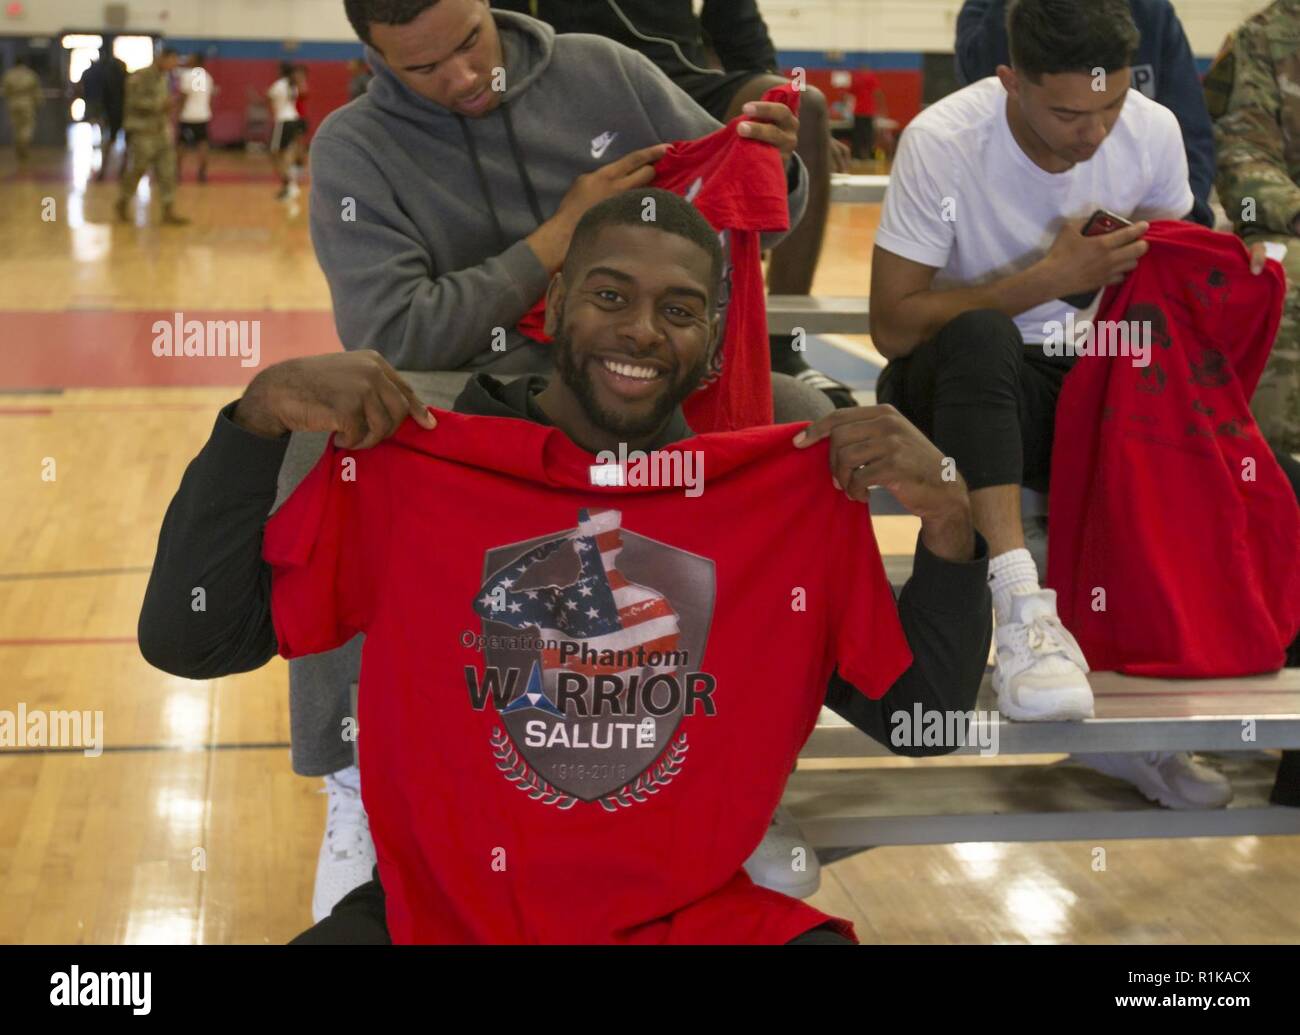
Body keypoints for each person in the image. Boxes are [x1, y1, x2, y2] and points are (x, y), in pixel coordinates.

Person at [138, 187, 992, 943]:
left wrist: (952, 517)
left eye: (680, 310)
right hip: (439, 918)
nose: (641, 332)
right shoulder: (416, 470)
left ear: (716, 336)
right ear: (554, 302)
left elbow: (924, 719)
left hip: (687, 919)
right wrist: (253, 422)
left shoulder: (772, 500)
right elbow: (191, 639)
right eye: (611, 295)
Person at [301, 0, 813, 913]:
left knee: (806, 432)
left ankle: (743, 771)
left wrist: (780, 163)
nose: (459, 77)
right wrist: (554, 245)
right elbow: (396, 330)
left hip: (641, 371)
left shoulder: (603, 71)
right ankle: (354, 787)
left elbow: (750, 218)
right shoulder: (354, 150)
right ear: (372, 58)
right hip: (477, 392)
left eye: (468, 44)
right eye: (421, 69)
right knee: (333, 443)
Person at [869, 0, 1270, 807]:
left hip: (1079, 377)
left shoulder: (1151, 132)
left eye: (1110, 106)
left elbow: (1169, 285)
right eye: (1066, 113)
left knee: (1261, 470)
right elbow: (891, 325)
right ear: (1010, 81)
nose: (1093, 133)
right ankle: (1021, 610)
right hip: (943, 382)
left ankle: (1144, 728)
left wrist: (1235, 265)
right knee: (984, 335)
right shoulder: (943, 141)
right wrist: (1041, 283)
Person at [493, 0, 857, 407]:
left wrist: (782, 111)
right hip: (562, 75)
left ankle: (782, 346)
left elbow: (737, 20)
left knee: (803, 106)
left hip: (675, 79)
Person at [954, 0, 1217, 228]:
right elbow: (986, 90)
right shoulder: (999, 13)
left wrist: (1183, 225)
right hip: (1009, 222)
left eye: (1116, 103)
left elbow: (1191, 135)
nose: (1096, 133)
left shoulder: (1152, 14)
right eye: (1066, 113)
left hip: (1124, 234)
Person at [1204, 0, 1300, 455]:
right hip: (1288, 223)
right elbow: (1240, 159)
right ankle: (1279, 477)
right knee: (1284, 280)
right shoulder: (1265, 37)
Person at [114, 47, 188, 226]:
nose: (174, 65)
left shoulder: (164, 78)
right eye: (172, 60)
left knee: (167, 171)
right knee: (138, 169)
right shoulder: (142, 76)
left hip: (160, 131)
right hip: (142, 133)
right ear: (162, 58)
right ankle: (123, 202)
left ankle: (168, 211)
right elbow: (134, 102)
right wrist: (161, 104)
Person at [267, 62, 306, 199]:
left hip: (283, 121)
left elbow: (269, 98)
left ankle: (288, 184)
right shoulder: (292, 85)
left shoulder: (279, 85)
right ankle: (290, 184)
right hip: (293, 119)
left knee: (274, 154)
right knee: (285, 154)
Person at [177, 53, 215, 183]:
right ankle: (202, 172)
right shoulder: (207, 77)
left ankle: (177, 172)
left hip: (188, 115)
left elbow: (184, 96)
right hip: (203, 115)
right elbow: (210, 97)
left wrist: (178, 112)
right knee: (202, 143)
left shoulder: (187, 75)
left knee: (182, 144)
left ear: (195, 61)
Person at [1, 56, 41, 166]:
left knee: (16, 127)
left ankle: (19, 146)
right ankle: (24, 143)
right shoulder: (30, 74)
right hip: (27, 102)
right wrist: (38, 103)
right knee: (27, 126)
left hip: (13, 102)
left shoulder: (9, 75)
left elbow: (4, 91)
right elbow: (36, 91)